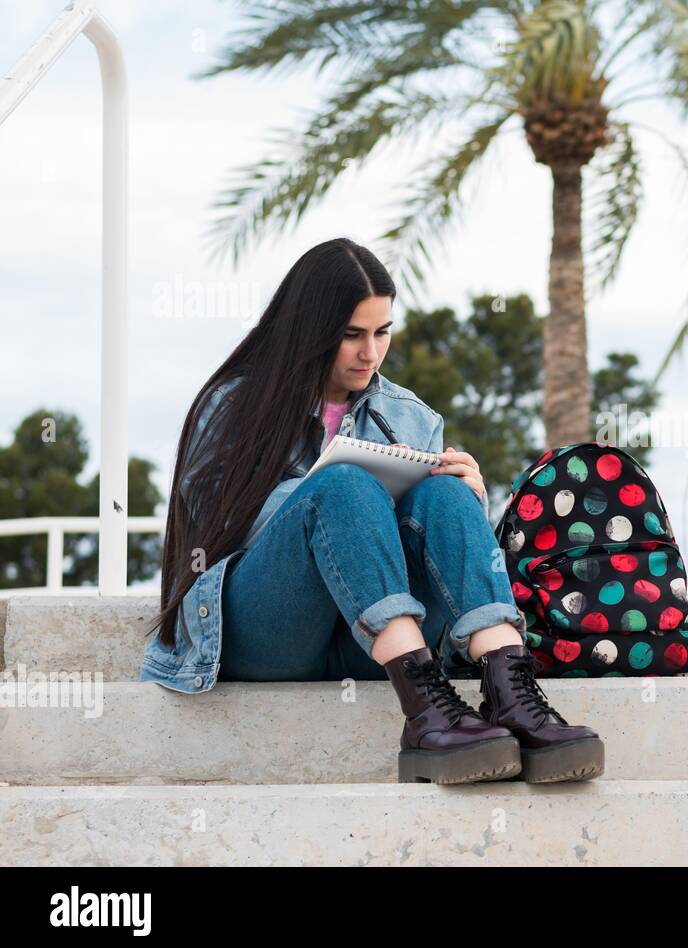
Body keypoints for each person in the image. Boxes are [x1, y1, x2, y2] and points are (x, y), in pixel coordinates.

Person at [140, 237, 604, 785]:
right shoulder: (233, 404)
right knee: (344, 487)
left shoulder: (410, 416)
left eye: (382, 332)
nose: (371, 353)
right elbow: (217, 533)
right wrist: (334, 493)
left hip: (371, 641)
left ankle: (512, 694)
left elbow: (444, 538)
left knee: (447, 492)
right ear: (309, 332)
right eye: (352, 335)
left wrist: (470, 499)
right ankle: (426, 710)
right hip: (272, 630)